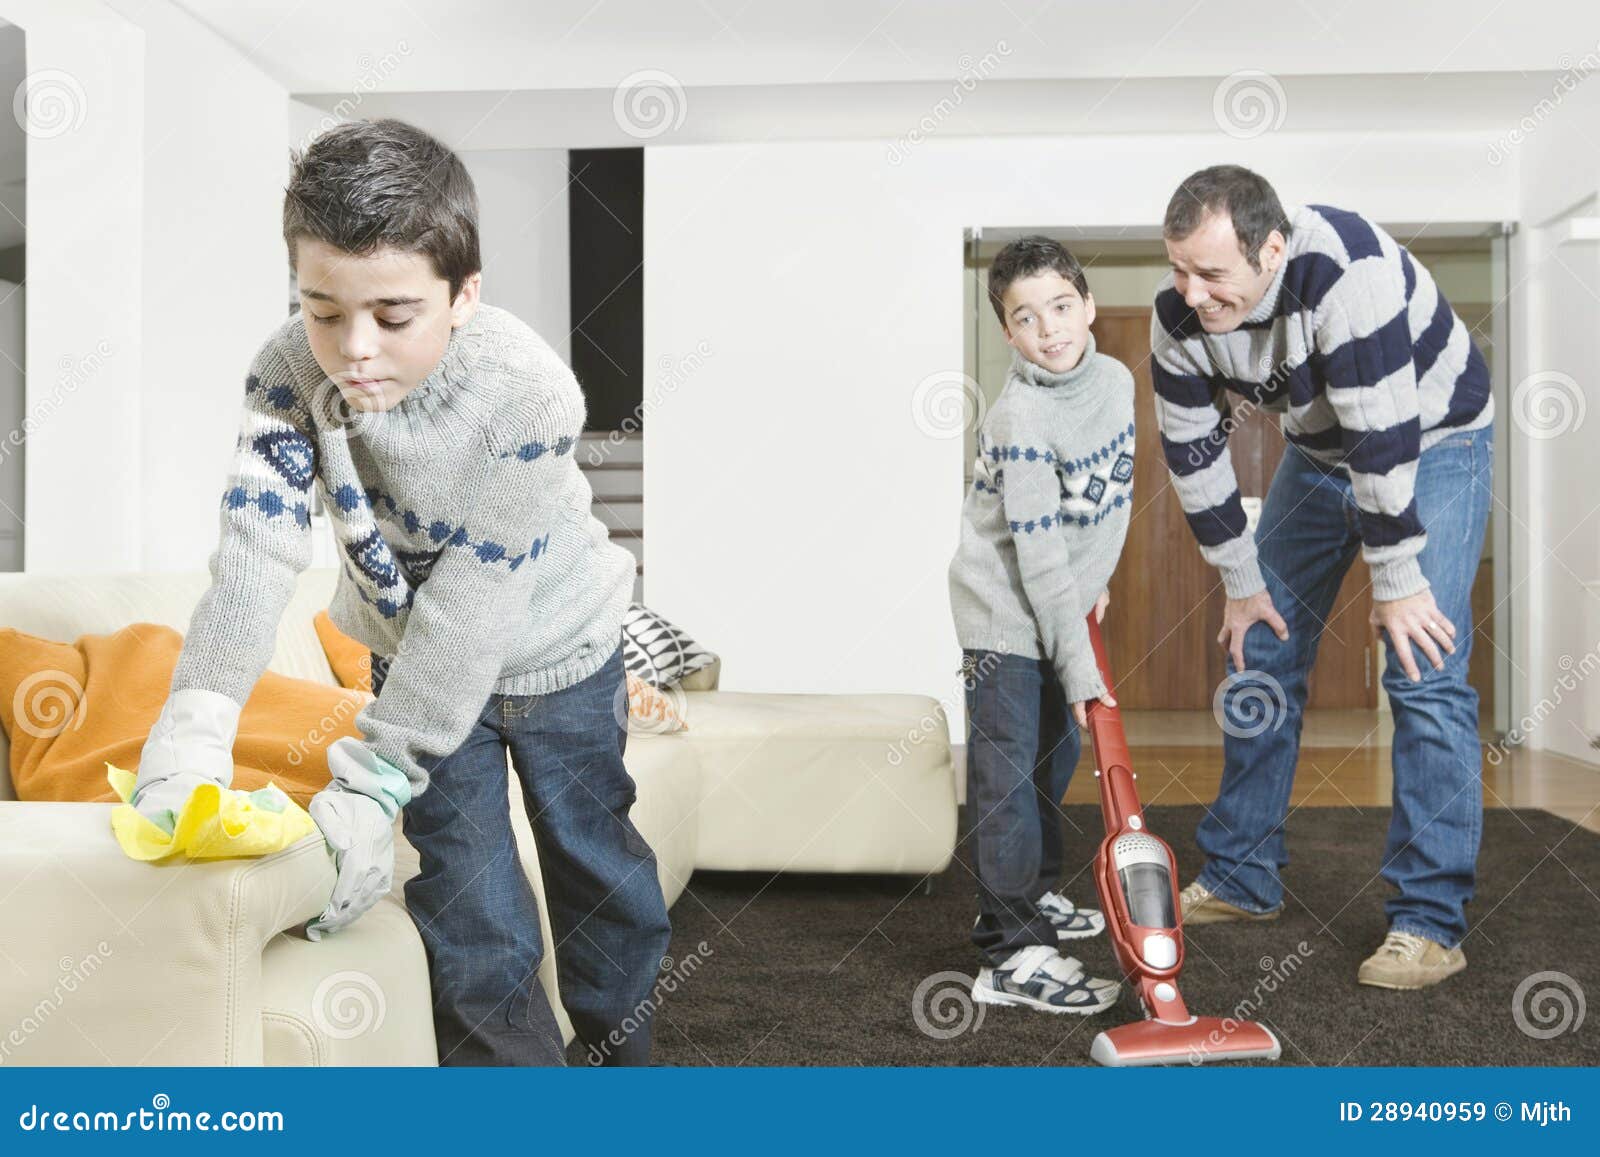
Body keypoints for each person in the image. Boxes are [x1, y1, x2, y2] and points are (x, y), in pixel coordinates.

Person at [130, 118, 671, 1061]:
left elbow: (473, 605)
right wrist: (194, 721)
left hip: (559, 655)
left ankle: (624, 1073)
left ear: (464, 294)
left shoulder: (529, 393)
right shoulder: (286, 375)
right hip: (412, 662)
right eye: (323, 309)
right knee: (469, 908)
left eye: (392, 314)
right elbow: (257, 550)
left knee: (597, 870)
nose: (354, 349)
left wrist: (376, 777)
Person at [1150, 165, 1493, 990]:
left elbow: (1382, 439)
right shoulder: (1180, 320)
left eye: (1212, 273)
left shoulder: (1349, 270)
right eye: (1179, 270)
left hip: (1434, 443)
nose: (1192, 293)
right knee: (1260, 648)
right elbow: (1193, 457)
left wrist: (1398, 578)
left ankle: (1428, 924)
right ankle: (1241, 875)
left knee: (1423, 667)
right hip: (1318, 453)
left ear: (1271, 249)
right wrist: (1241, 582)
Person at [948, 236, 1135, 1013]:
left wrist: (1100, 584)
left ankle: (1034, 892)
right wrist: (1080, 658)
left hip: (1061, 600)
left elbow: (1110, 500)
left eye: (1062, 307)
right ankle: (1010, 949)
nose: (1051, 330)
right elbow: (1037, 553)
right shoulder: (1020, 415)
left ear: (1088, 305)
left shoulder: (1118, 382)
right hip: (1003, 610)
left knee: (1050, 760)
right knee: (1006, 776)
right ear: (1008, 334)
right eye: (1027, 319)